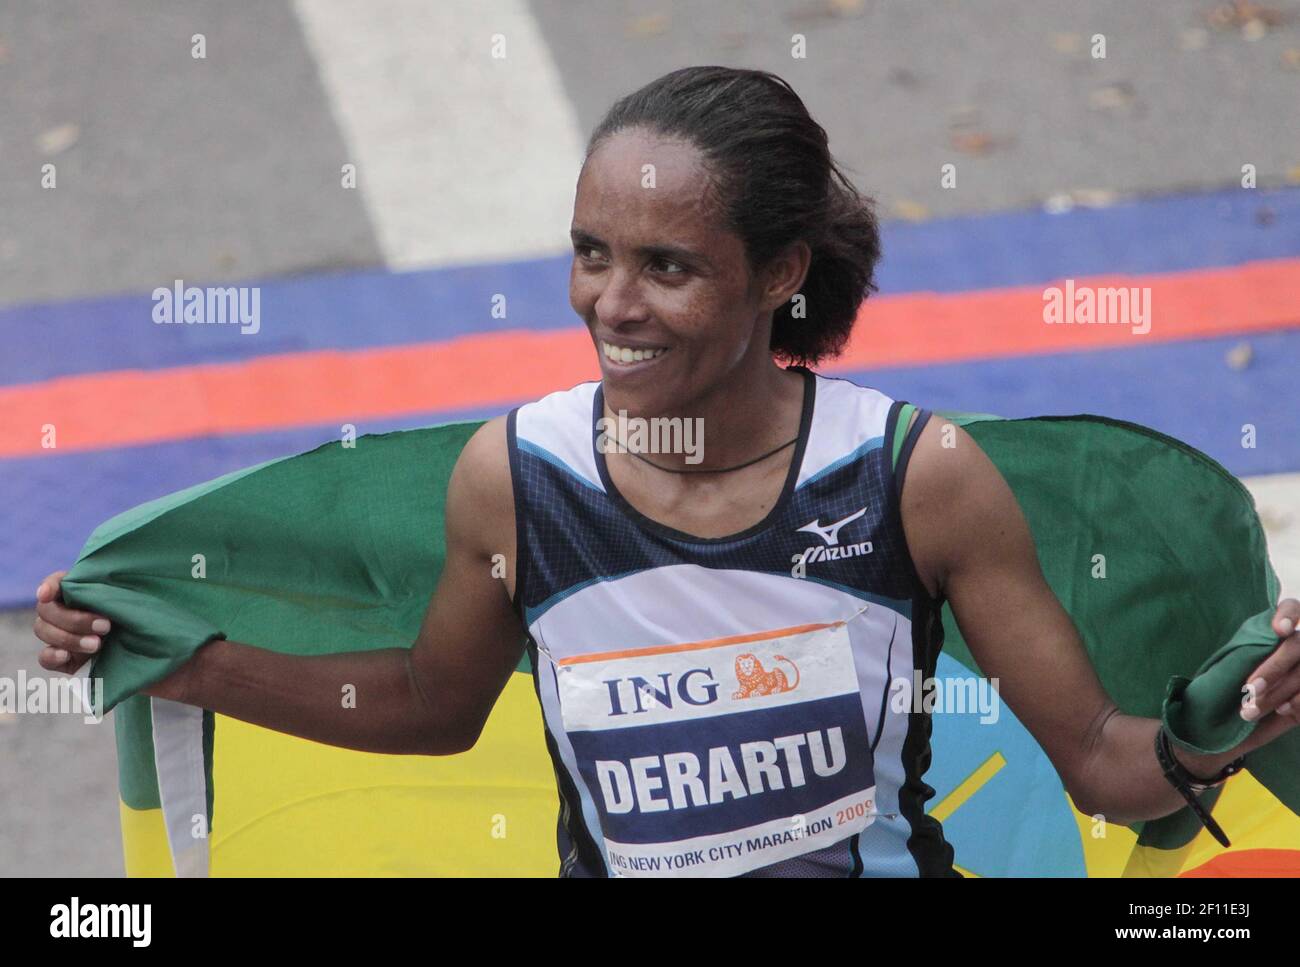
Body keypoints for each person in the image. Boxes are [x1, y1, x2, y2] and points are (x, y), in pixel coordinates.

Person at [32, 66, 1300, 877]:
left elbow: (1101, 762)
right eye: (591, 253)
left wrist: (1236, 712)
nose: (611, 304)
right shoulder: (515, 480)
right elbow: (429, 703)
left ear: (779, 274)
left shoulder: (917, 480)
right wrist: (175, 655)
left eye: (667, 267)